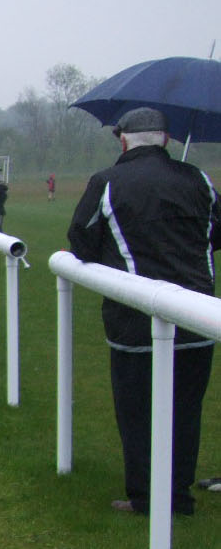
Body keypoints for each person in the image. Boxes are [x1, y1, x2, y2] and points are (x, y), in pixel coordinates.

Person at [65, 107, 221, 515]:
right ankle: (179, 496)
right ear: (166, 140)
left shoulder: (107, 182)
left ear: (123, 141)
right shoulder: (199, 180)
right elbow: (215, 233)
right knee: (185, 413)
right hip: (198, 316)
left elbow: (80, 240)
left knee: (138, 414)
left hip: (135, 320)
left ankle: (146, 497)